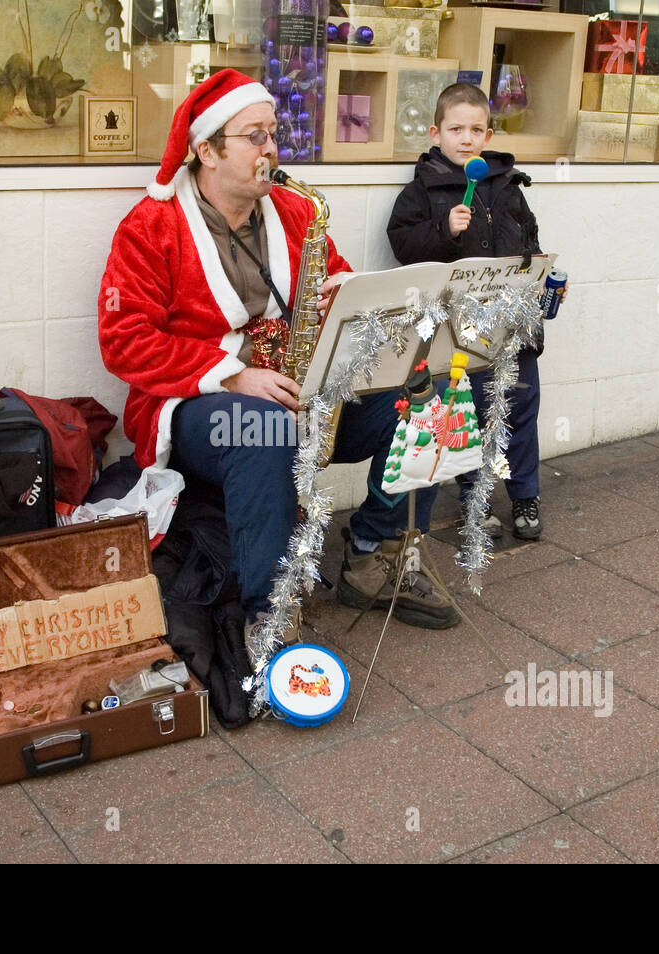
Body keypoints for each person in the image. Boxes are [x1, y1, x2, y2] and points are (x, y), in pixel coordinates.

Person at [97, 69, 458, 638]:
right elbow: (123, 341)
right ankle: (268, 609)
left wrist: (360, 305)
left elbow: (336, 281)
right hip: (201, 404)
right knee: (264, 428)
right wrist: (233, 375)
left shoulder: (295, 212)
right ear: (206, 151)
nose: (273, 149)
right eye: (255, 137)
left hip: (304, 387)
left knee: (427, 400)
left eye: (274, 133)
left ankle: (372, 555)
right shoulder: (151, 228)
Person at [386, 82, 550, 541]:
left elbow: (529, 241)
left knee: (518, 409)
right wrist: (443, 229)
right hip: (458, 333)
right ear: (436, 133)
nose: (466, 138)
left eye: (476, 129)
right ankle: (475, 500)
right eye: (456, 128)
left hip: (510, 325)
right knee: (468, 415)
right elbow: (402, 245)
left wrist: (542, 277)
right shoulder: (422, 191)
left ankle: (525, 496)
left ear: (489, 136)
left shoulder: (507, 187)